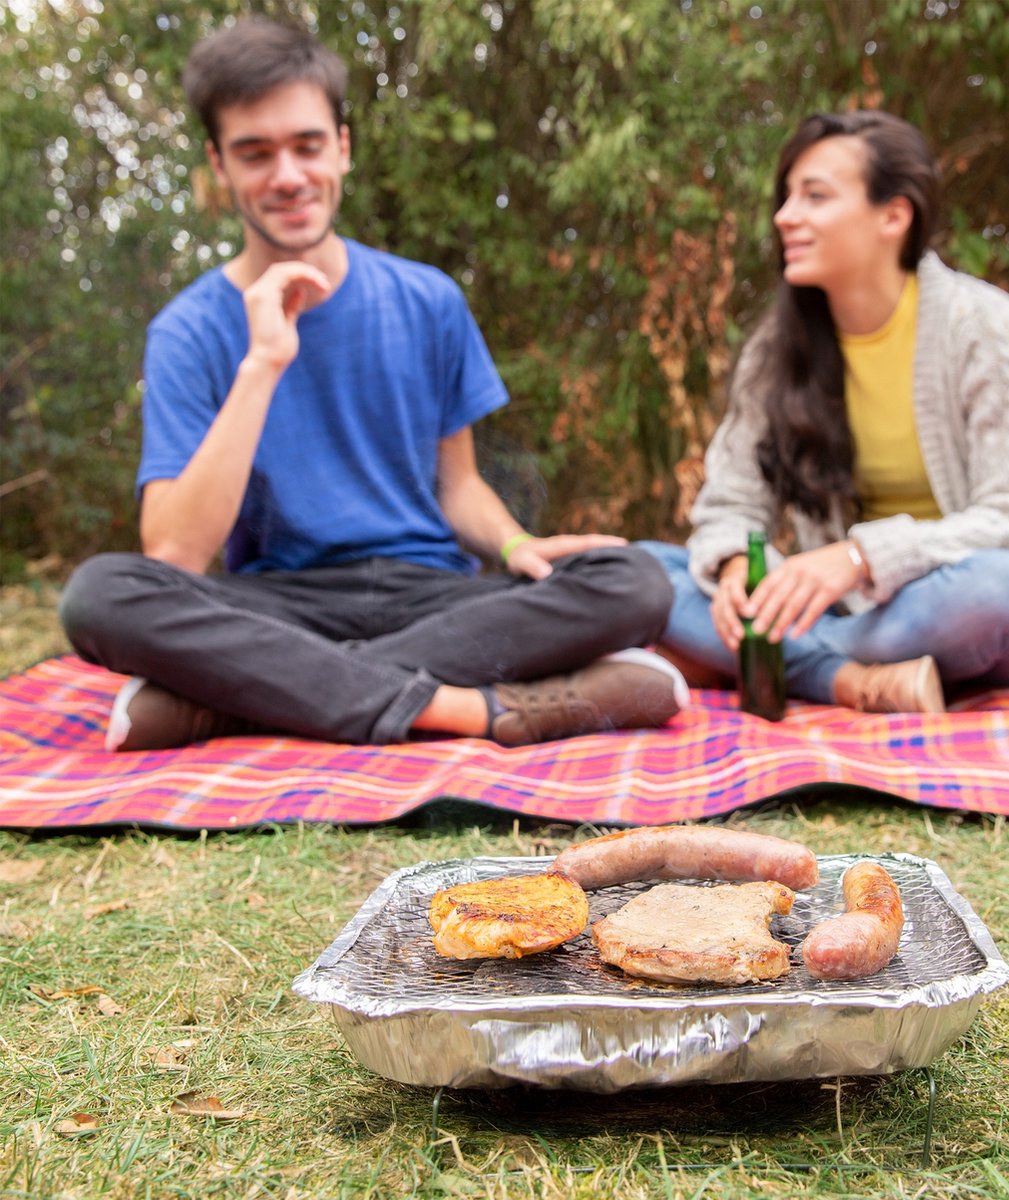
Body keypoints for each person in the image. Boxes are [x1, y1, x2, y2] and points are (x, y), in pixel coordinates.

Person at [59, 17, 687, 751]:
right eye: (255, 154)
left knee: (633, 580)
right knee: (103, 595)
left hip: (433, 598)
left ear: (343, 148)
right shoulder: (188, 329)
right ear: (219, 166)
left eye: (307, 145)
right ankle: (471, 711)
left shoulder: (428, 299)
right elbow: (173, 554)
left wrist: (517, 543)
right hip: (281, 604)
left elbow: (458, 487)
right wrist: (262, 361)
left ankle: (243, 703)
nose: (288, 176)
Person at [640, 110, 1009, 714]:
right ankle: (852, 677)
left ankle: (774, 660)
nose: (785, 216)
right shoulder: (775, 351)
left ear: (894, 215)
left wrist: (859, 558)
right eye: (786, 197)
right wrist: (739, 564)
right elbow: (732, 502)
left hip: (964, 608)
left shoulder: (986, 327)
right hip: (863, 616)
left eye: (815, 197)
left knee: (1007, 590)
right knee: (643, 570)